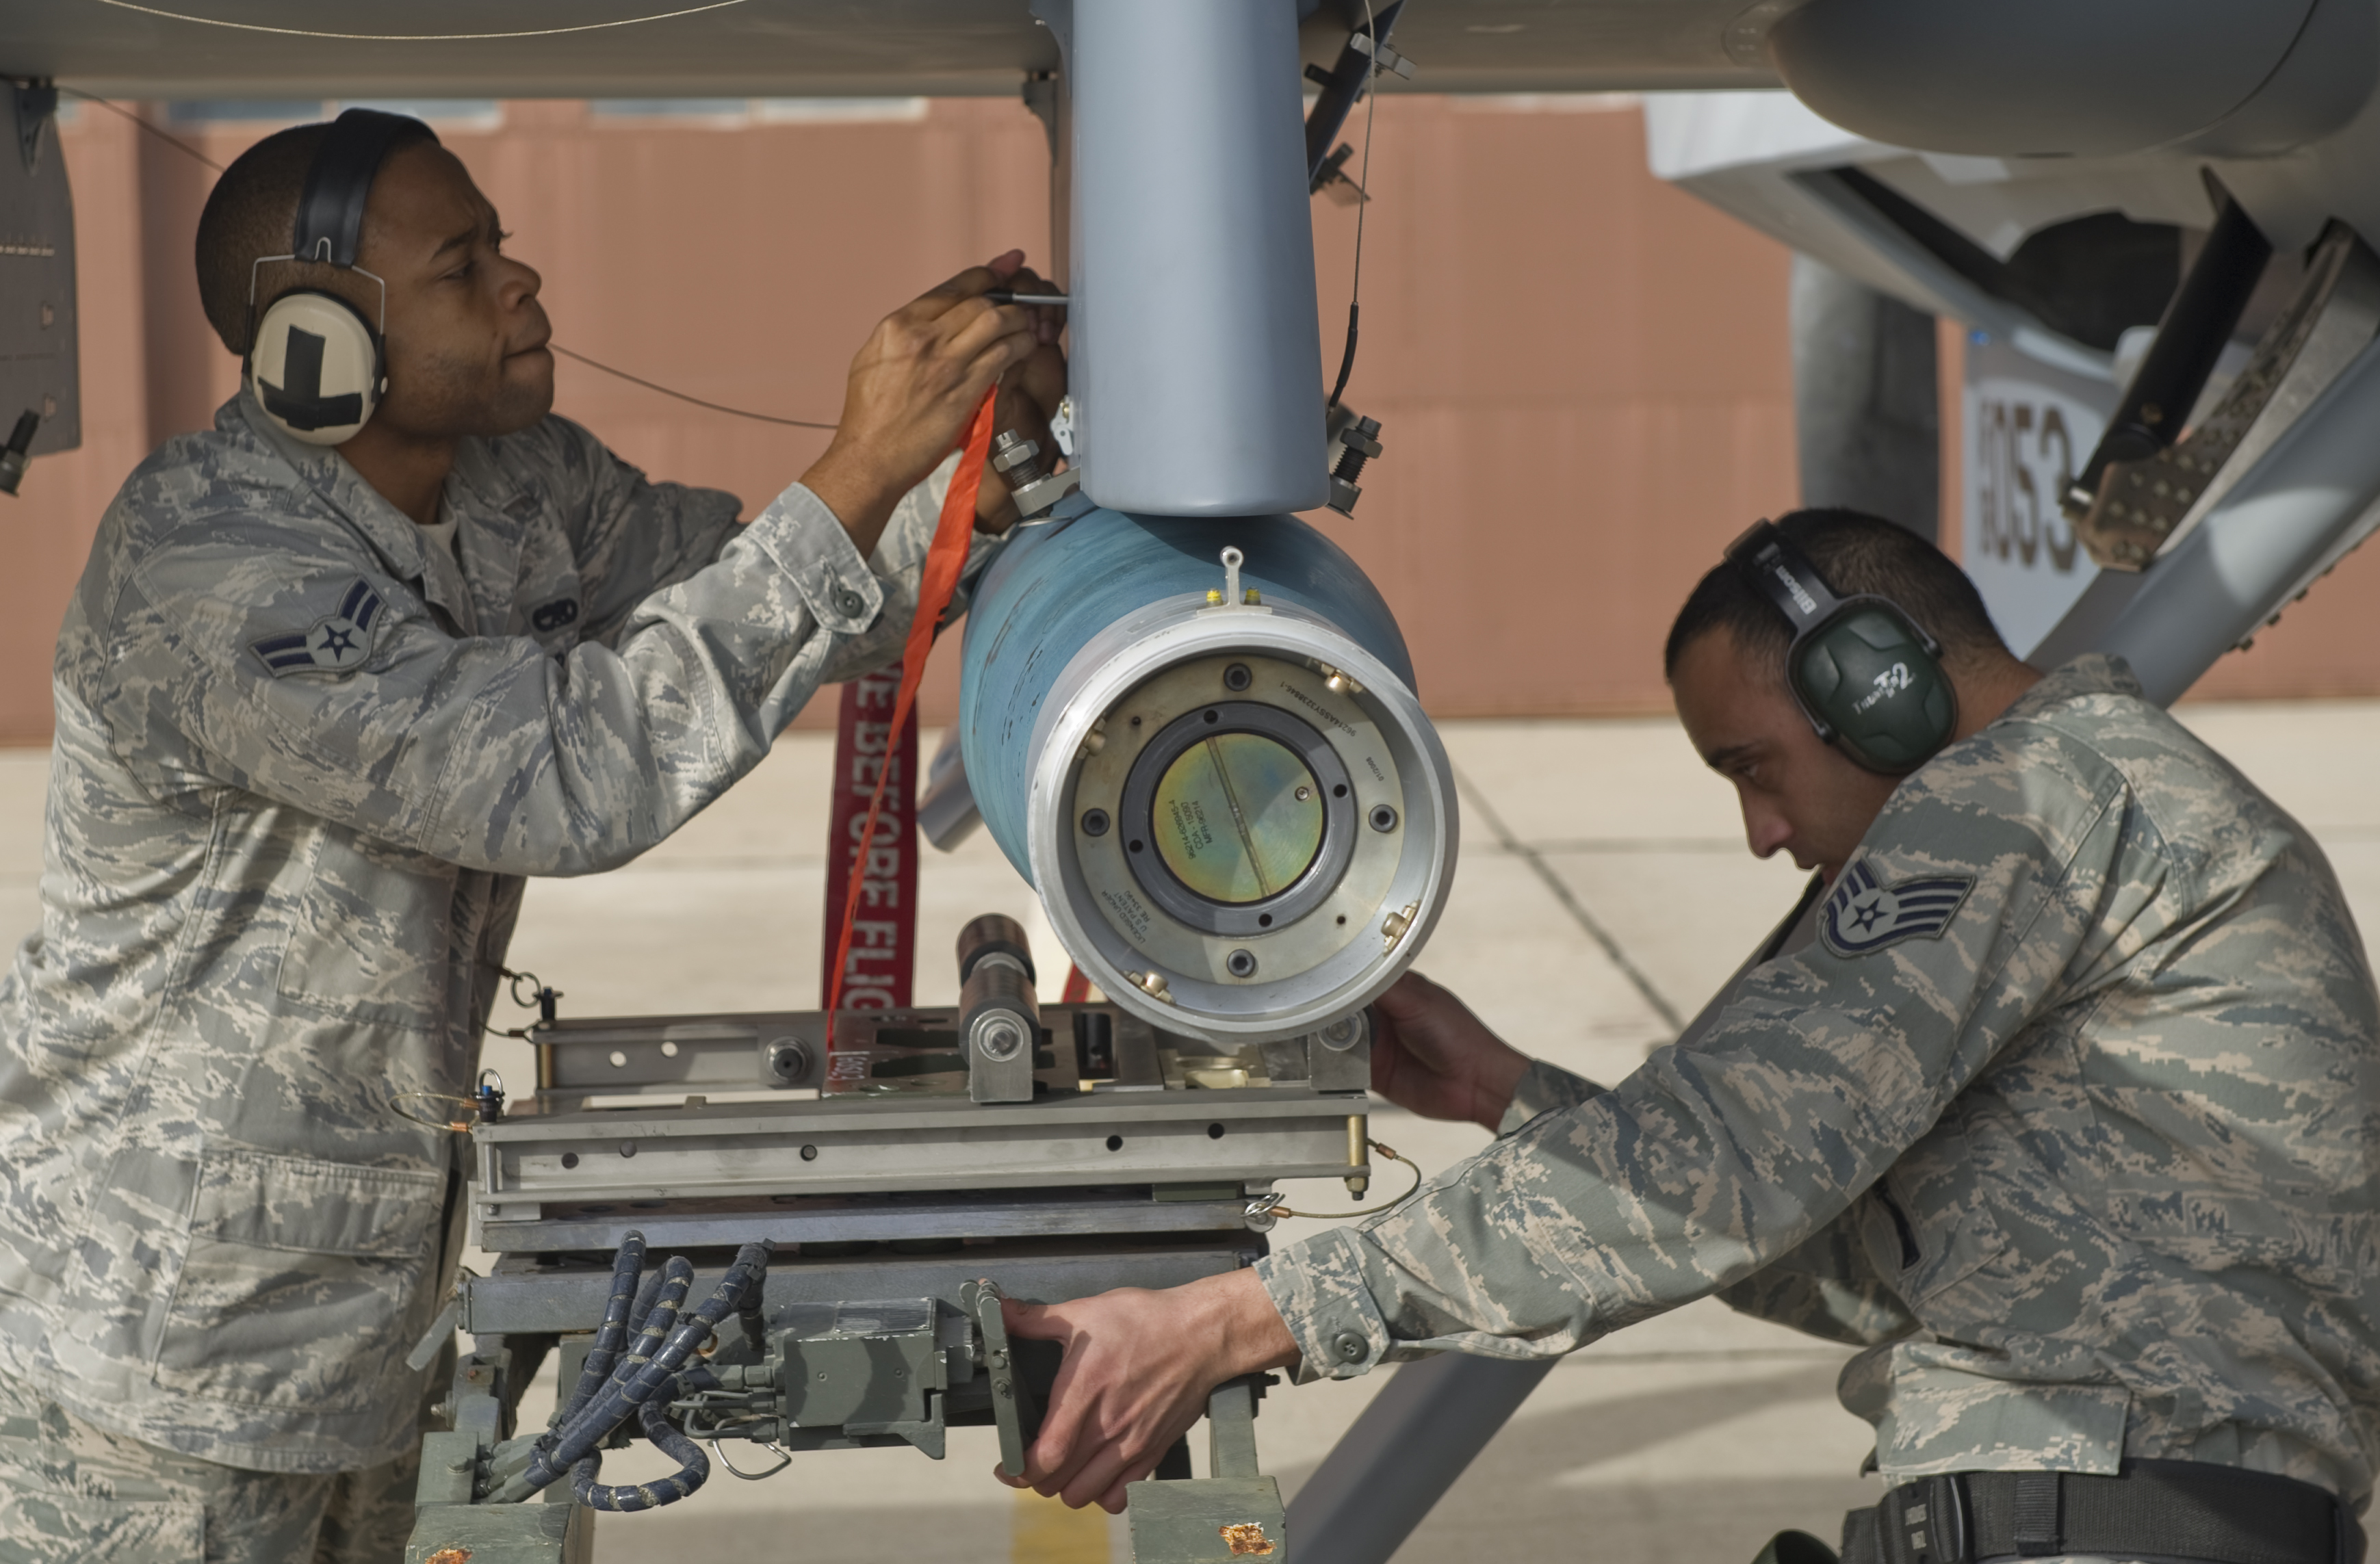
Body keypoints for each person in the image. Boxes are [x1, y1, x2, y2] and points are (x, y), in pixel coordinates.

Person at [0, 108, 1062, 1561]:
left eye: (501, 244)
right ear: (317, 342)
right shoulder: (209, 565)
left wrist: (975, 466)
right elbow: (567, 775)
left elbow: (775, 601)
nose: (523, 284)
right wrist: (859, 462)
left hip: (379, 1316)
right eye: (463, 266)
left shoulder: (518, 488)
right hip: (159, 1359)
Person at [1003, 509, 2380, 1564]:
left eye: (1750, 767)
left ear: (1868, 685)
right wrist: (1503, 1089)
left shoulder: (2018, 808)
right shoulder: (2092, 803)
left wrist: (1237, 1319)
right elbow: (1847, 1265)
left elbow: (1725, 1166)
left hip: (2099, 1513)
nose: (1761, 833)